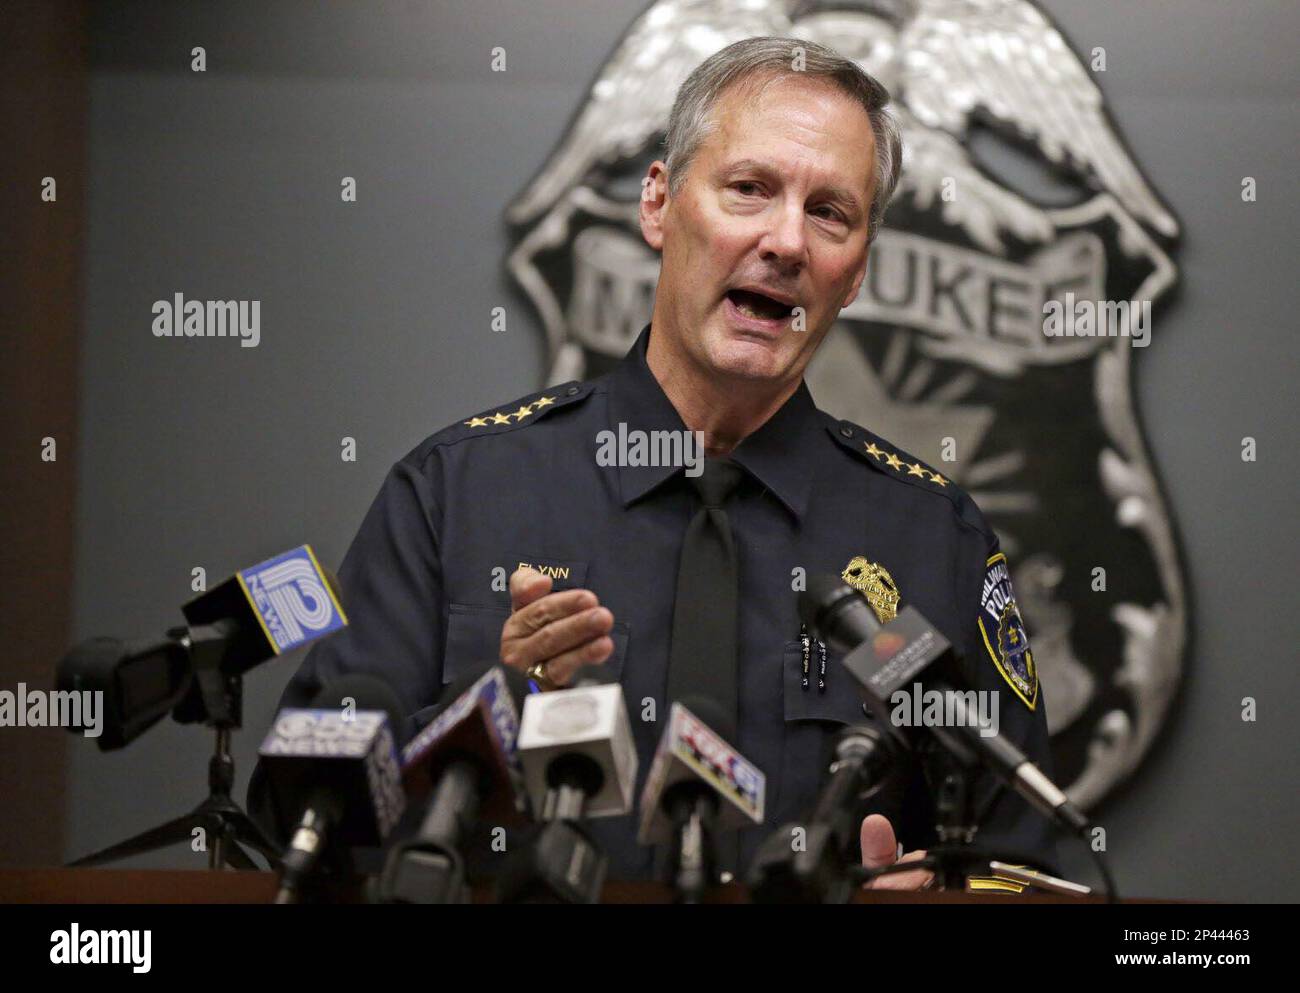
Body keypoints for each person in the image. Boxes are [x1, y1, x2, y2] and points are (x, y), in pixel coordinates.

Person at [250, 36, 1059, 889]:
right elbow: (292, 826)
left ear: (856, 271)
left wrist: (948, 889)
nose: (786, 241)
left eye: (830, 212)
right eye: (749, 188)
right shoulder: (457, 492)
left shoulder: (934, 537)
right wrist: (481, 716)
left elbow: (1035, 859)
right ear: (660, 202)